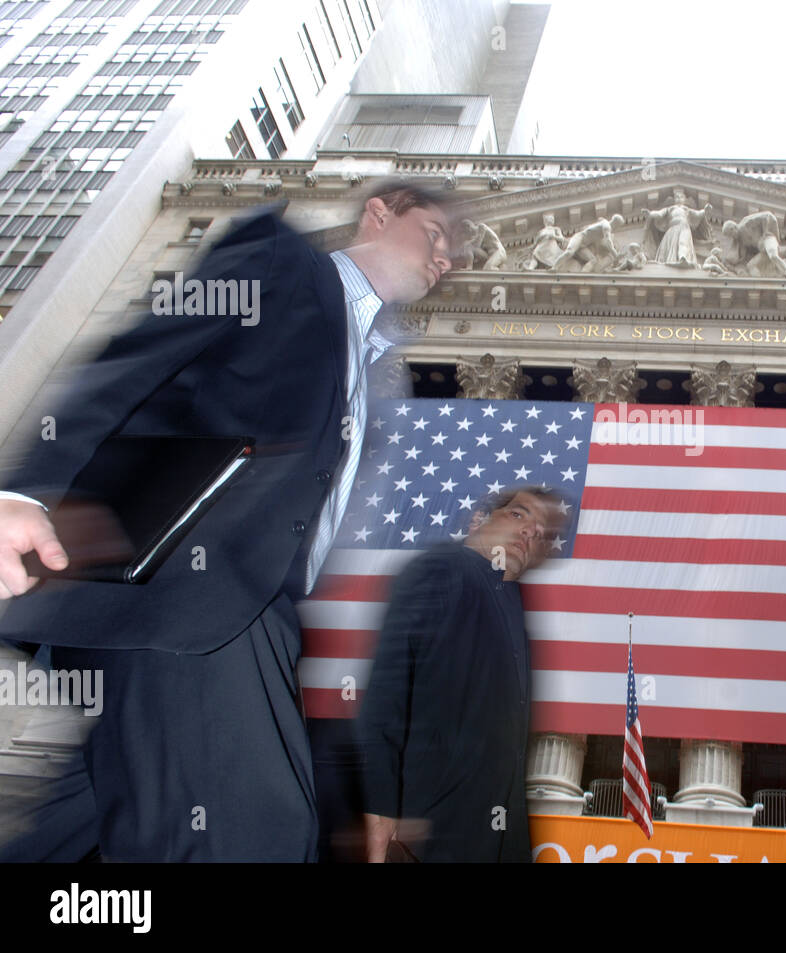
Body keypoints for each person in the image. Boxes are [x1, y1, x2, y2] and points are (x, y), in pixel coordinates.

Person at [0, 178, 456, 862]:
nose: (446, 256)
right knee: (253, 836)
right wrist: (30, 490)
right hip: (186, 593)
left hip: (233, 617)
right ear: (380, 212)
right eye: (436, 233)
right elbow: (138, 357)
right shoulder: (280, 260)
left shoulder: (375, 371)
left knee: (79, 839)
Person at [358, 486, 566, 863]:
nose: (528, 533)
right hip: (433, 834)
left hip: (499, 836)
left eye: (541, 533)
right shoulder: (442, 568)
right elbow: (386, 696)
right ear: (477, 520)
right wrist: (380, 811)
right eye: (518, 515)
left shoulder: (515, 606)